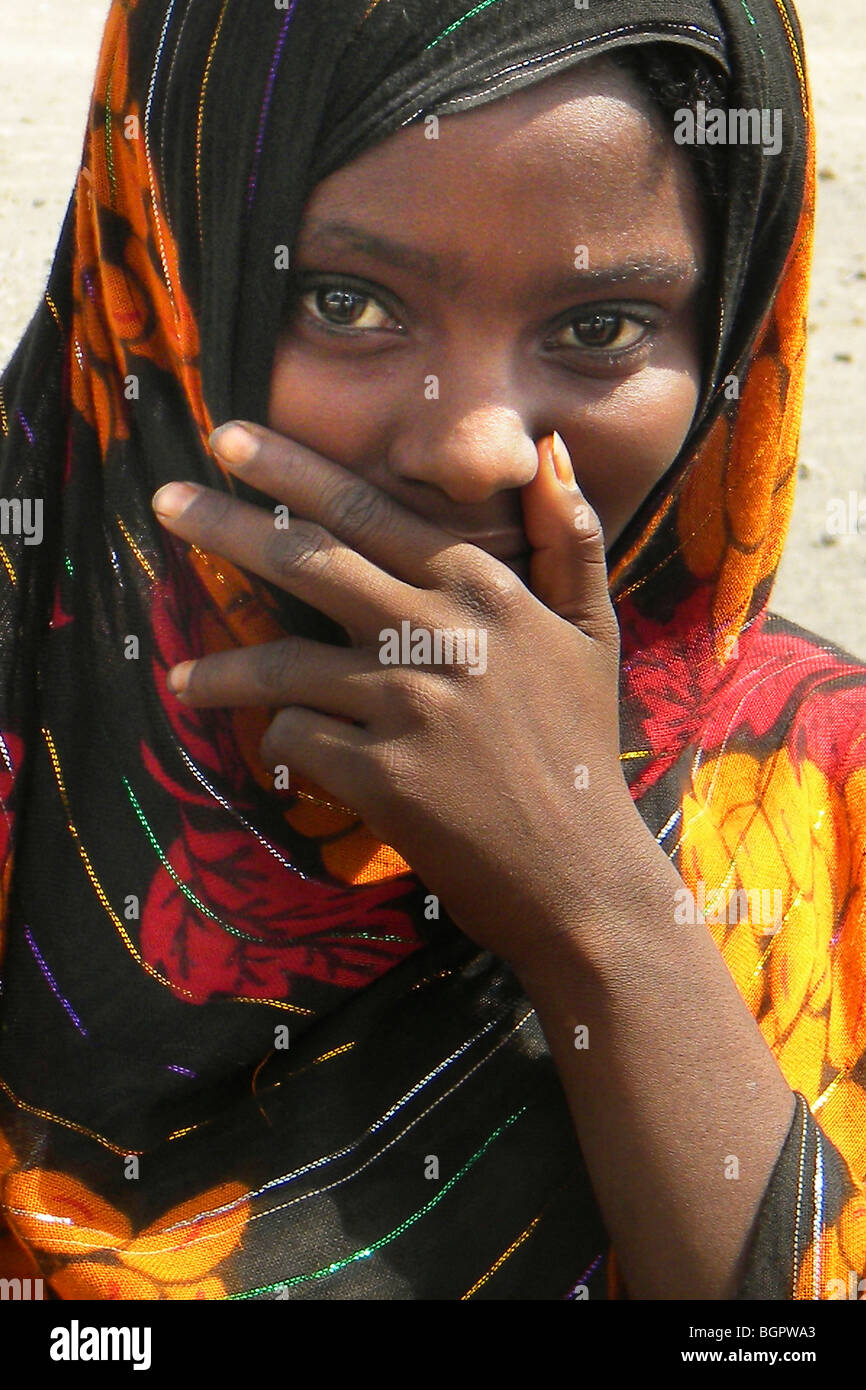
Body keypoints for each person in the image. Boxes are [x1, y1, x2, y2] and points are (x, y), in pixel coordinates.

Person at [0, 0, 863, 1301]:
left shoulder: (819, 777)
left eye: (602, 326)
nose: (471, 448)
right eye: (346, 303)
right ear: (166, 275)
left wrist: (603, 913)